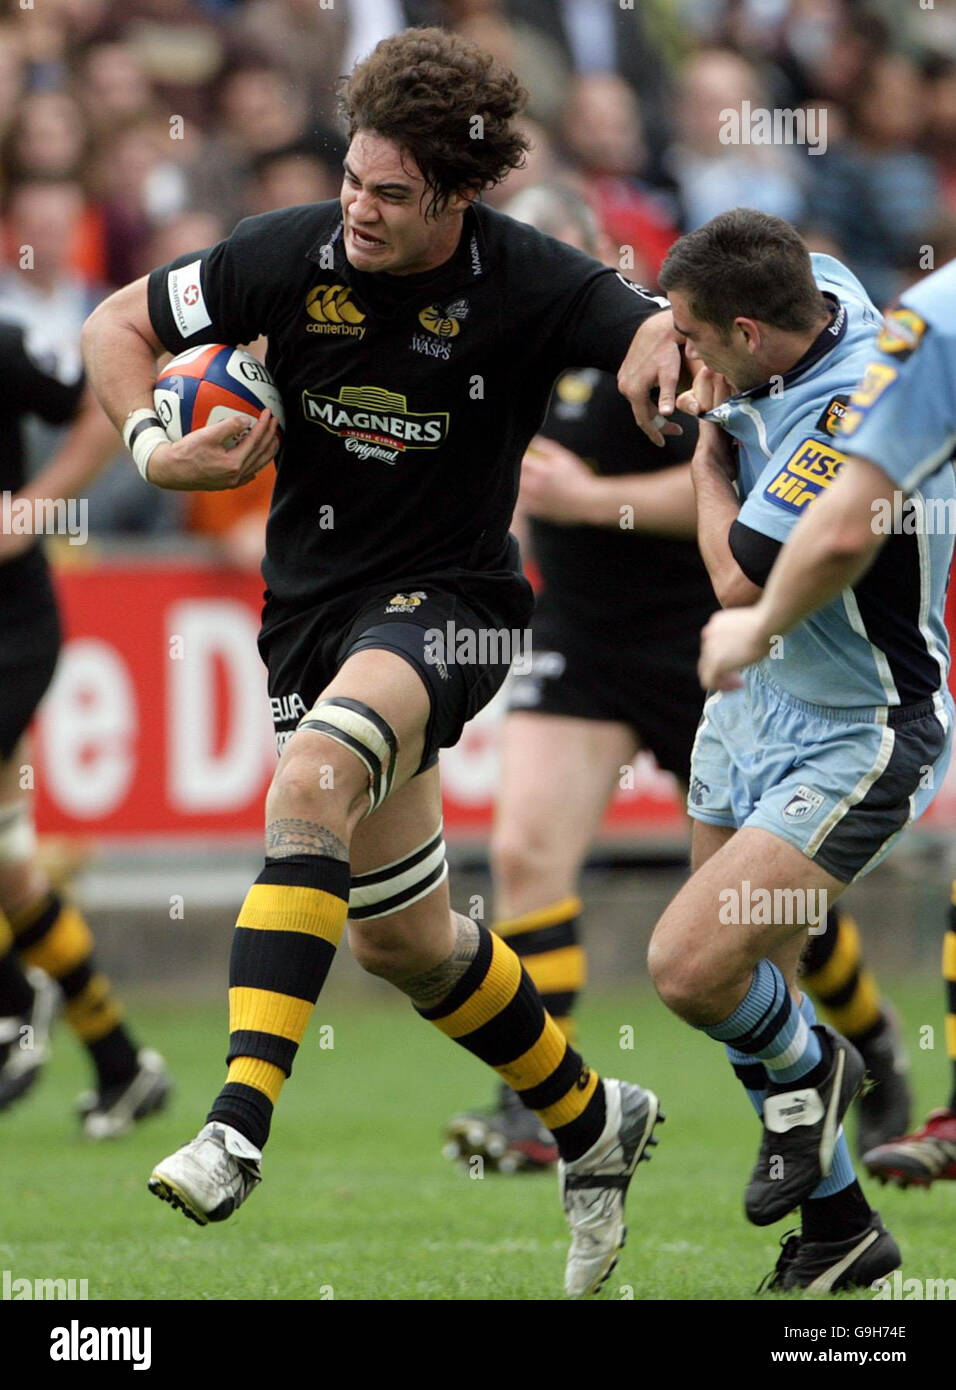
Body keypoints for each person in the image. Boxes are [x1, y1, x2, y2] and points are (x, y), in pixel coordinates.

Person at [82, 28, 680, 1298]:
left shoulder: (524, 279)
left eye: (390, 194)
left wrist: (659, 368)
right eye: (353, 178)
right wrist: (150, 442)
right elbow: (112, 325)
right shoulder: (282, 254)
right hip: (310, 613)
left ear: (457, 197)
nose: (358, 207)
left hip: (450, 608)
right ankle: (590, 1117)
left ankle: (235, 1126)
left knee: (308, 782)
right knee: (404, 943)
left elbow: (641, 329)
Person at [445, 185, 912, 1175]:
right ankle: (539, 1098)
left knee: (750, 921)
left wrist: (598, 493)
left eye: (551, 255)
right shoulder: (517, 353)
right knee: (525, 847)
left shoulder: (679, 348)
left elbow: (733, 548)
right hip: (579, 634)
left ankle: (866, 1045)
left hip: (708, 641)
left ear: (591, 261)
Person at [646, 209, 955, 1292]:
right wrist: (673, 345)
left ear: (746, 333)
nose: (681, 357)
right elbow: (751, 275)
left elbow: (737, 584)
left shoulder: (840, 409)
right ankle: (836, 1231)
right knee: (745, 977)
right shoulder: (810, 284)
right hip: (750, 709)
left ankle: (827, 1065)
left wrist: (702, 447)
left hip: (858, 728)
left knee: (689, 966)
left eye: (692, 339)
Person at [0, 321, 171, 1136]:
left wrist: (35, 507)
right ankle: (119, 1060)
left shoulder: (3, 342)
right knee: (7, 864)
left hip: (7, 630)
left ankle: (10, 1001)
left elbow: (102, 407)